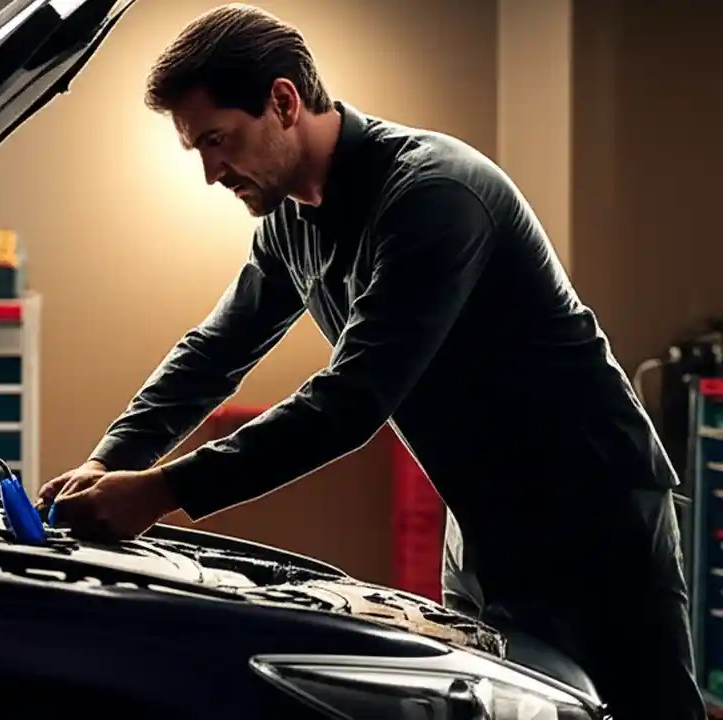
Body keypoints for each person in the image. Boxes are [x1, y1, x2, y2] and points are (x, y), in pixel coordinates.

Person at [34, 4, 706, 719]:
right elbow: (213, 353)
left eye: (218, 141)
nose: (210, 172)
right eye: (197, 149)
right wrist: (109, 462)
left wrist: (158, 492)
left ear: (284, 101)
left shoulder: (433, 195)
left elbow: (351, 400)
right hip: (481, 524)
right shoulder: (288, 222)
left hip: (593, 515)